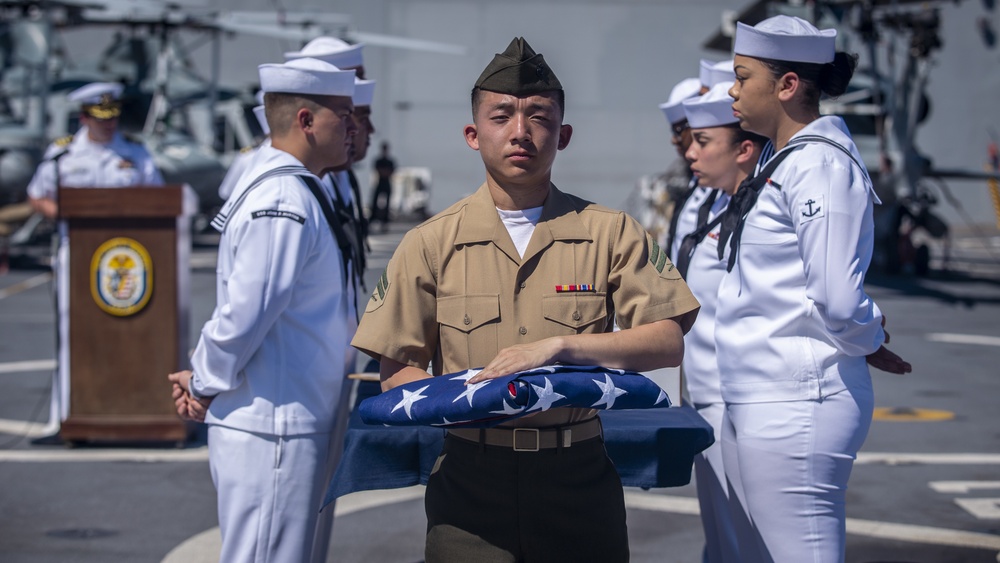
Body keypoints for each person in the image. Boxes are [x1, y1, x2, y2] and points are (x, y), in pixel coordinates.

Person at [350, 37, 700, 562]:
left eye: (538, 117)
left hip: (577, 474)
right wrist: (471, 405)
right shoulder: (430, 242)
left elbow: (667, 340)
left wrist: (559, 347)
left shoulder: (612, 232)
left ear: (563, 134)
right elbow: (397, 366)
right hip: (469, 479)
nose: (521, 132)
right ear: (473, 134)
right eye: (501, 116)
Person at [715, 16, 912, 562]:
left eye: (742, 76)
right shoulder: (788, 161)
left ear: (787, 85)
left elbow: (839, 298)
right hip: (767, 393)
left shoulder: (820, 165)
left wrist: (868, 337)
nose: (732, 90)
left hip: (797, 401)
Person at [167, 57, 358, 563]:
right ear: (306, 121)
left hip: (284, 418)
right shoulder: (282, 197)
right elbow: (248, 310)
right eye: (344, 112)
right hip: (273, 423)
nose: (354, 126)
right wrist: (204, 380)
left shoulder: (294, 187)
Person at [26, 81, 164, 445]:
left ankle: (128, 412)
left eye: (113, 118)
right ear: (84, 118)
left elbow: (161, 197)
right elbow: (37, 195)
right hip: (78, 254)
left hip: (131, 258)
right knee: (72, 334)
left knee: (133, 331)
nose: (109, 125)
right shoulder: (63, 157)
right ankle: (63, 417)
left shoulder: (136, 154)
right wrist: (67, 216)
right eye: (100, 119)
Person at [675, 82, 768, 563]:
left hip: (737, 392)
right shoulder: (712, 199)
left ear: (743, 148)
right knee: (724, 530)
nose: (686, 149)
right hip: (705, 386)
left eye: (698, 139)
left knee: (750, 533)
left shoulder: (753, 205)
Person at [370, 141, 395, 232]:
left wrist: (385, 173)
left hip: (386, 183)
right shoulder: (379, 160)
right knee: (374, 201)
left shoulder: (390, 161)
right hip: (380, 182)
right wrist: (384, 173)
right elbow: (378, 170)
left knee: (387, 203)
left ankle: (385, 221)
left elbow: (391, 171)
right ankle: (372, 219)